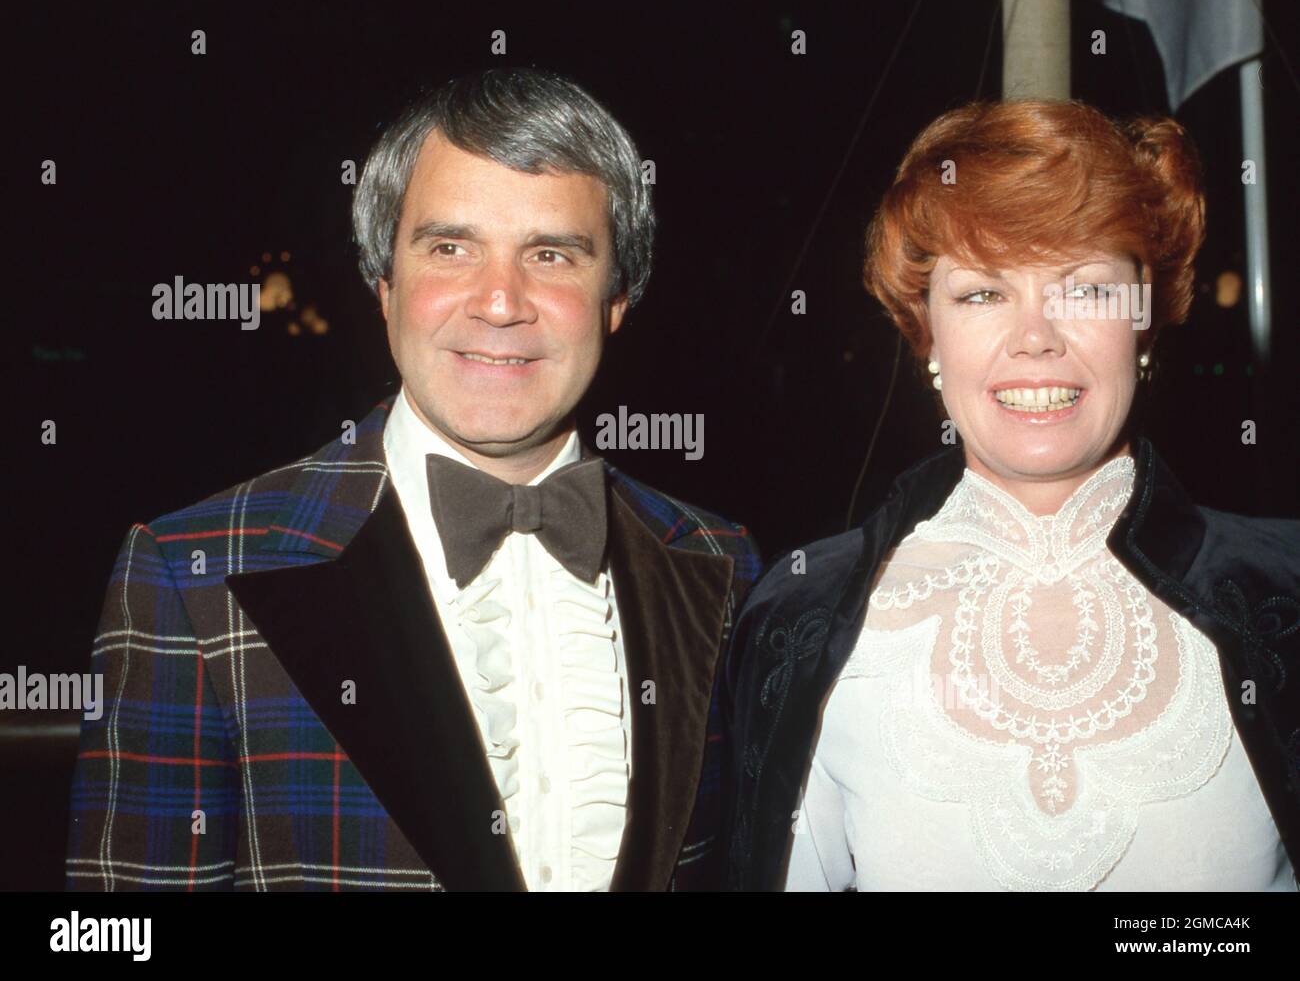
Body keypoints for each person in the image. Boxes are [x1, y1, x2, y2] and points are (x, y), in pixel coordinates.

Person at [66, 67, 759, 892]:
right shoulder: (193, 574)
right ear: (383, 282)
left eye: (551, 254)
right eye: (451, 248)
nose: (501, 301)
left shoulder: (727, 566)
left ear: (617, 298)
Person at [725, 99, 1300, 892]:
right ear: (927, 334)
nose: (1036, 336)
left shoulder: (1285, 593)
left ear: (1145, 326)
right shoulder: (803, 617)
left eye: (1088, 288)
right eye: (984, 294)